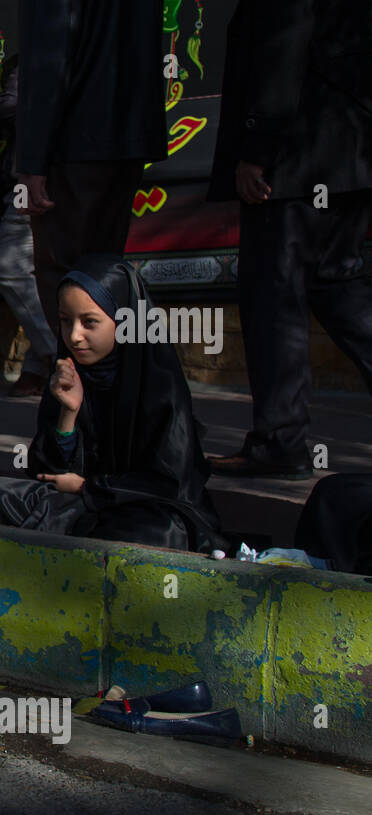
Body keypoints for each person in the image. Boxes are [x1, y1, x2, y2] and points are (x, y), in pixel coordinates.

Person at [205, 0, 372, 480]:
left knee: (275, 297)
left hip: (297, 159)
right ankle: (280, 439)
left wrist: (257, 147)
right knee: (335, 282)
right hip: (344, 153)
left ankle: (279, 442)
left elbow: (284, 43)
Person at [0, 254, 225, 553]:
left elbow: (169, 482)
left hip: (140, 509)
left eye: (90, 322)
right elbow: (45, 472)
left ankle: (64, 550)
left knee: (157, 533)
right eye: (65, 321)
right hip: (75, 507)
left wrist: (89, 488)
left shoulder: (159, 383)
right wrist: (68, 414)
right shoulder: (68, 374)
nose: (74, 336)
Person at [15, 0, 166, 354]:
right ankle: (116, 391)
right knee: (105, 275)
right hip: (126, 139)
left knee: (69, 281)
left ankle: (81, 393)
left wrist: (33, 161)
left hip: (74, 141)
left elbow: (47, 61)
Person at [0, 54, 54, 398]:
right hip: (27, 182)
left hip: (76, 181)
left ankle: (41, 363)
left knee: (54, 274)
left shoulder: (97, 59)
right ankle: (55, 354)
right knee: (10, 270)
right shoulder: (35, 60)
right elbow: (7, 108)